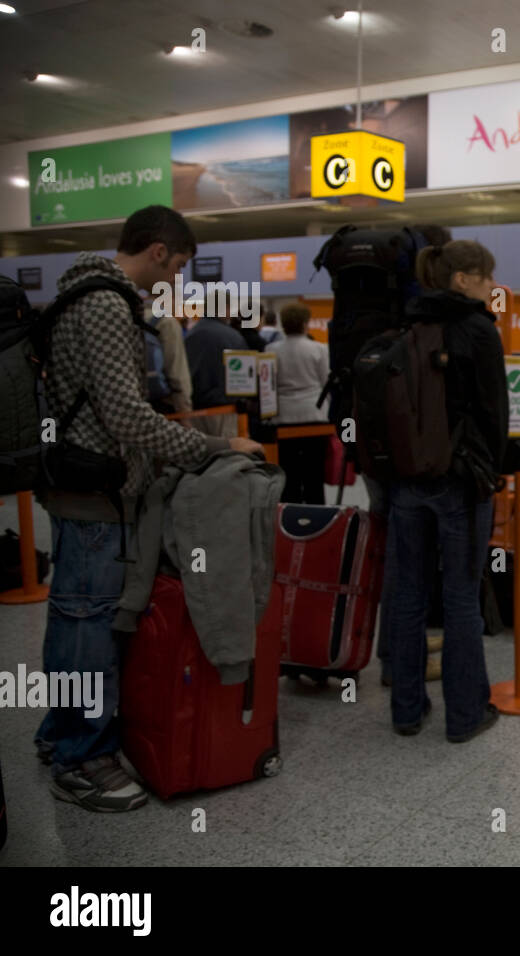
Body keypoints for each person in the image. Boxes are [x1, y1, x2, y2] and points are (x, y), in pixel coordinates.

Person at [34, 205, 262, 812]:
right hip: (96, 491)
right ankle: (83, 757)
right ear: (158, 251)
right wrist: (213, 446)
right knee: (87, 624)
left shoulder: (77, 294)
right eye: (180, 264)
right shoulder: (108, 304)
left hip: (79, 482)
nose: (178, 279)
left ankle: (60, 733)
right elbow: (125, 416)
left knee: (71, 617)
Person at [384, 239, 507, 741]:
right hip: (460, 483)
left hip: (408, 480)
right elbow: (494, 414)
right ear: (462, 279)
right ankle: (466, 714)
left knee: (409, 595)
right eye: (485, 276)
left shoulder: (408, 328)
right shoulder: (478, 331)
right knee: (460, 598)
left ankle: (407, 711)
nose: (491, 285)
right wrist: (492, 469)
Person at [374, 223, 453, 687]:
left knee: (400, 559)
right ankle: (398, 661)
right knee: (406, 566)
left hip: (382, 451)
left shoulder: (391, 313)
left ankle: (404, 648)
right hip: (417, 462)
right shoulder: (428, 321)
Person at [267, 304, 330, 504]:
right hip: (314, 415)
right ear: (305, 324)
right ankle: (317, 519)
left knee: (289, 475)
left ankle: (290, 519)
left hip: (283, 417)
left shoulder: (271, 350)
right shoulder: (319, 348)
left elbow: (270, 385)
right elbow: (325, 382)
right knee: (314, 475)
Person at [184, 299, 248, 438]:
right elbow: (245, 378)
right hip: (224, 408)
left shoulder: (190, 335)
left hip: (194, 409)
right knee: (227, 453)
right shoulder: (233, 336)